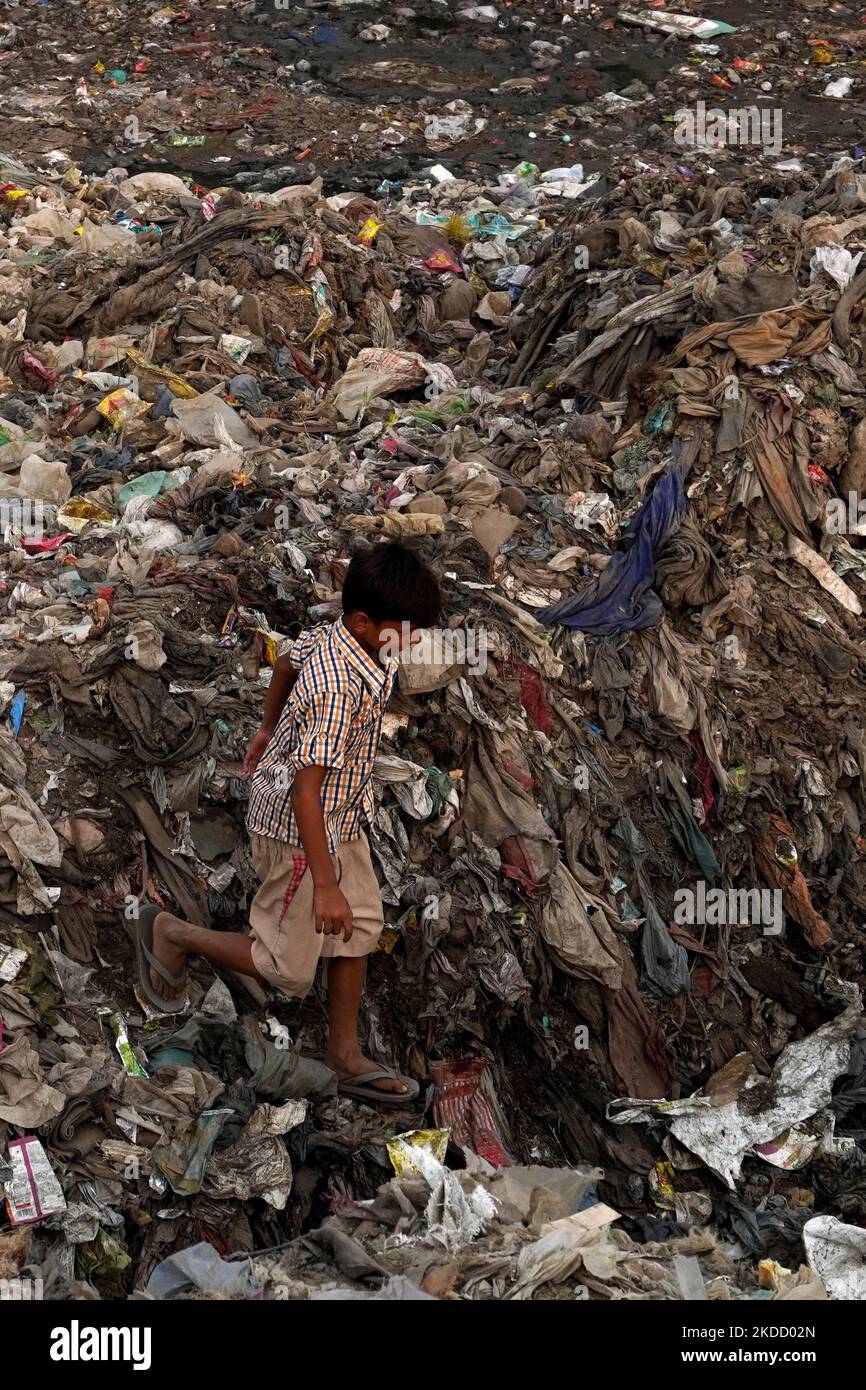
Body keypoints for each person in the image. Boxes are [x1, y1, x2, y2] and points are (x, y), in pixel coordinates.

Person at [134, 541, 442, 1104]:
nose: (415, 639)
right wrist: (324, 884)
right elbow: (305, 789)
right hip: (299, 832)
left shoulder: (359, 644)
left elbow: (285, 659)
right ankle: (171, 933)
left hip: (344, 817)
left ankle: (344, 1055)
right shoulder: (337, 688)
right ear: (364, 621)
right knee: (286, 968)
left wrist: (266, 728)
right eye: (409, 628)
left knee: (359, 930)